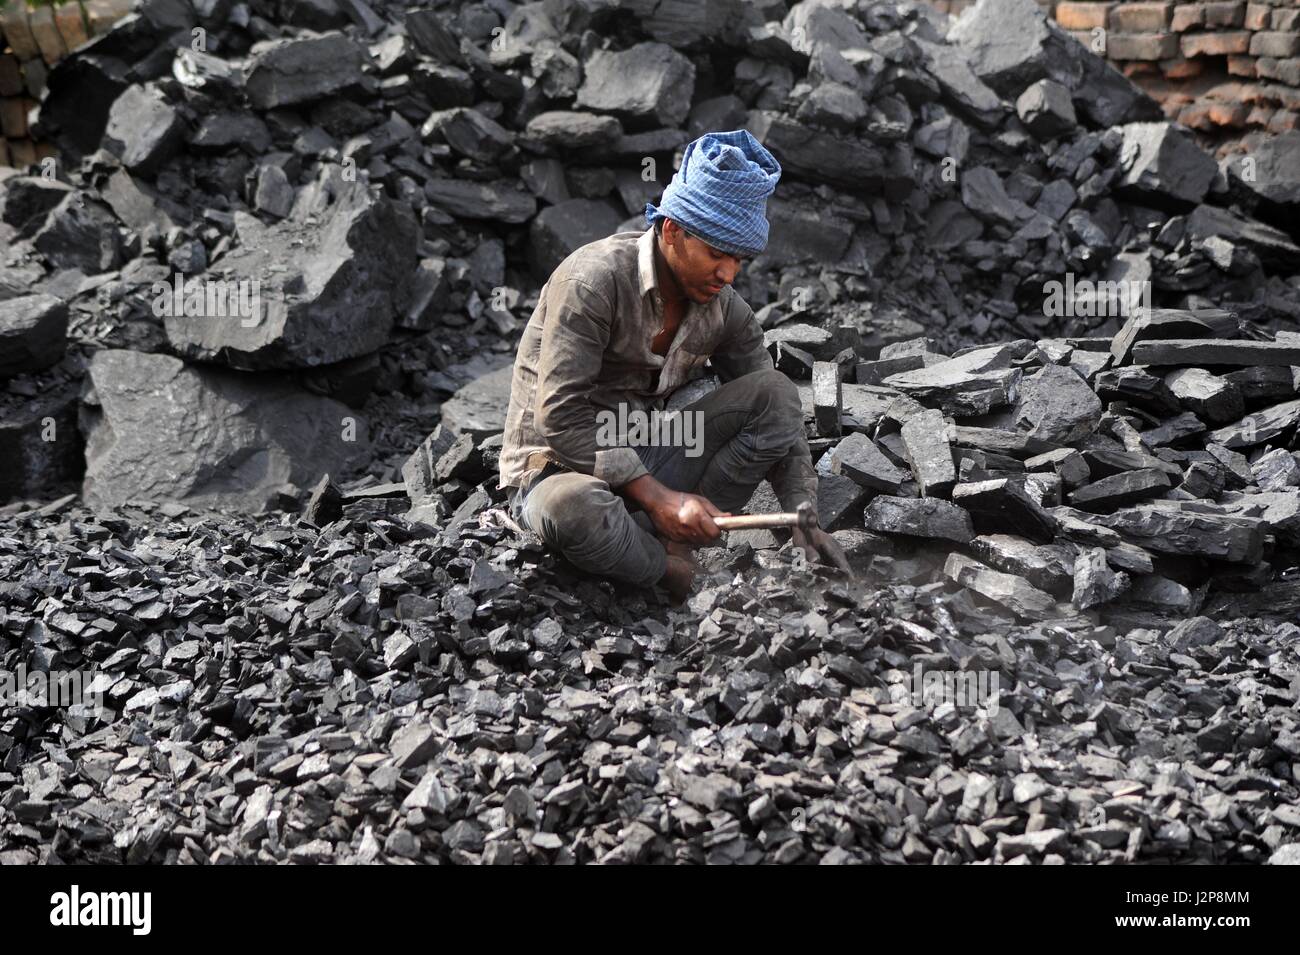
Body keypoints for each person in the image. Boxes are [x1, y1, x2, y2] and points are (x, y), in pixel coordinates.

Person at [498, 129, 849, 600]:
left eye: (739, 259)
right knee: (573, 508)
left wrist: (805, 516)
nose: (728, 273)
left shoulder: (723, 306)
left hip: (649, 455)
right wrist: (661, 499)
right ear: (671, 231)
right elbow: (560, 419)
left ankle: (668, 533)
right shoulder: (593, 282)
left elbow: (777, 416)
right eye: (717, 254)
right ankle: (668, 569)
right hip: (558, 468)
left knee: (776, 392)